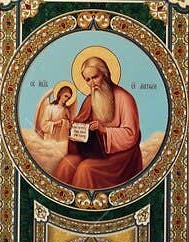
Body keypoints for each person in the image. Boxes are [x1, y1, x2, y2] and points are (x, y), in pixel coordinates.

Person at [54, 56, 143, 190]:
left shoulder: (125, 98)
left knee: (85, 169)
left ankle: (83, 209)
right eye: (87, 80)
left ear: (105, 74)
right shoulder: (90, 99)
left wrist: (105, 130)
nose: (91, 83)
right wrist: (74, 127)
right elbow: (81, 121)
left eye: (95, 77)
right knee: (66, 165)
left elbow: (131, 135)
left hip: (120, 158)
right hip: (94, 152)